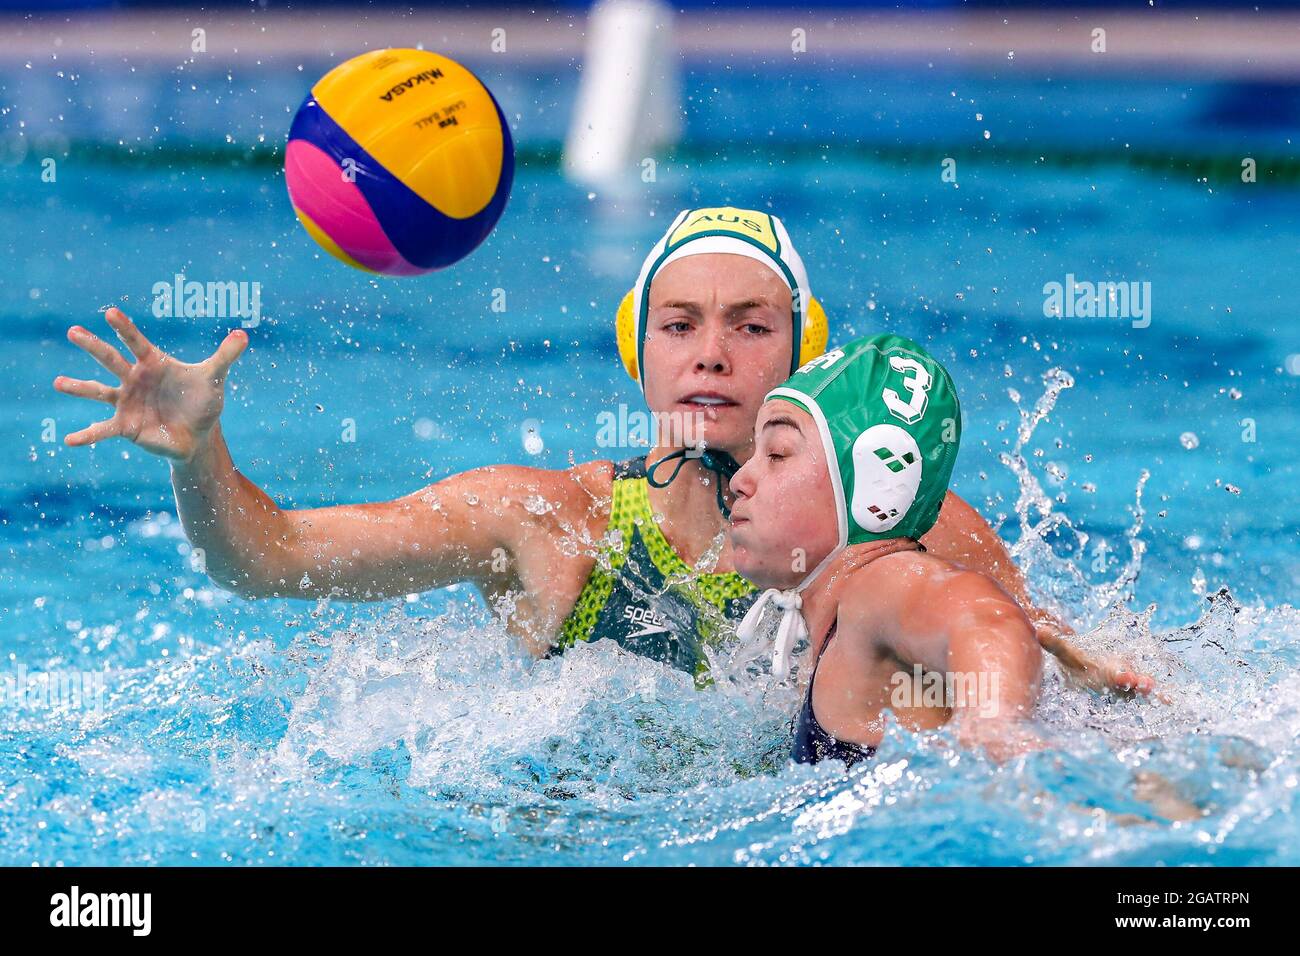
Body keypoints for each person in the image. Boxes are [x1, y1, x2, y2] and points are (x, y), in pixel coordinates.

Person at [53, 205, 1146, 693]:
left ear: (802, 354)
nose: (709, 355)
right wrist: (199, 451)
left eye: (749, 326)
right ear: (639, 352)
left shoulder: (902, 523)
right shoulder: (543, 520)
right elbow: (270, 557)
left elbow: (1029, 673)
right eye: (679, 325)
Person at [729, 332, 1043, 763]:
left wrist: (996, 723)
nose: (740, 480)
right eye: (754, 453)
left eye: (778, 454)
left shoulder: (878, 586)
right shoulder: (837, 624)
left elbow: (983, 618)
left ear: (876, 487)